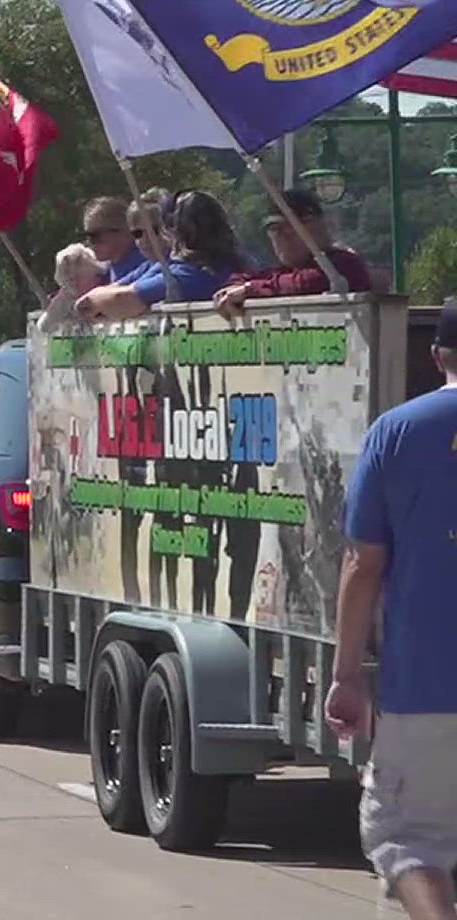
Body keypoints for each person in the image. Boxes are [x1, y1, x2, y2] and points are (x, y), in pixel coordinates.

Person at [327, 298, 457, 920]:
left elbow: (363, 565)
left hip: (429, 685)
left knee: (406, 841)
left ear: (437, 356)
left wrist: (347, 675)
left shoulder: (398, 432)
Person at [77, 191, 247, 322]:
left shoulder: (195, 272)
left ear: (175, 230)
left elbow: (121, 299)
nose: (147, 239)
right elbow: (119, 286)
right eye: (137, 233)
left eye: (159, 228)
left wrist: (94, 301)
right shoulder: (168, 264)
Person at [213, 187, 372, 318]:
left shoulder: (343, 264)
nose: (283, 237)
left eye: (294, 226)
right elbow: (243, 279)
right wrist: (233, 290)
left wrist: (250, 290)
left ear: (322, 226)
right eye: (274, 229)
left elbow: (308, 283)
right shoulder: (282, 273)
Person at [81, 196, 149, 283]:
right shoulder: (104, 272)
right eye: (87, 236)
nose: (90, 241)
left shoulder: (147, 264)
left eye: (95, 235)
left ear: (125, 231)